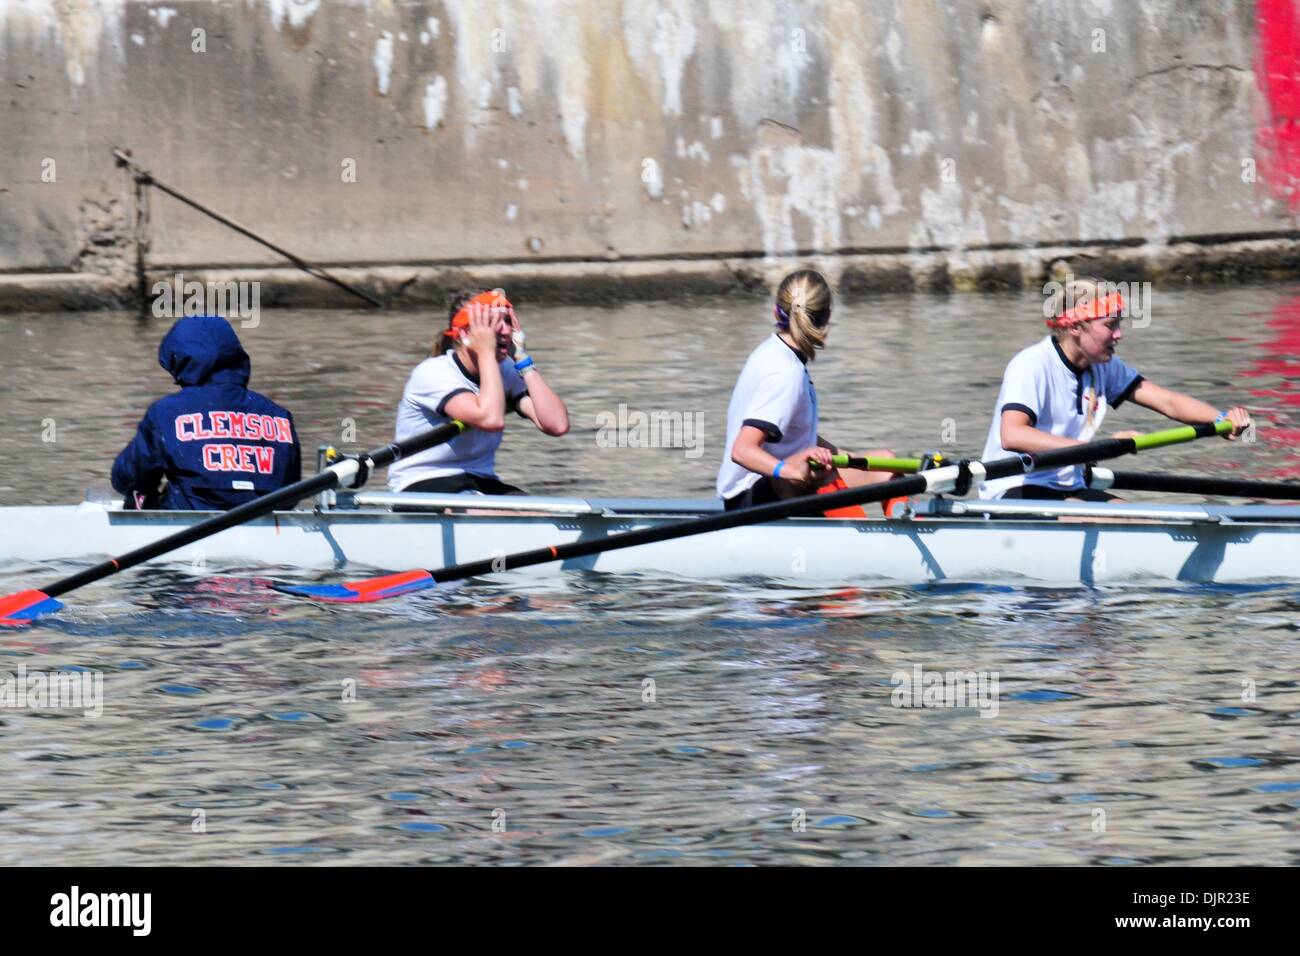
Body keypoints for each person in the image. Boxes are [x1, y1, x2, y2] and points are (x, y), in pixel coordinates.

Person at [978, 277, 1251, 500]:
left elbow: (1166, 401)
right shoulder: (1032, 365)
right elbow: (1012, 435)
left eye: (1119, 323)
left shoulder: (1104, 367)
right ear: (1075, 327)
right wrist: (1096, 449)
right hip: (1011, 489)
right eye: (1110, 325)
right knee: (1121, 523)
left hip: (1067, 486)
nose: (1119, 334)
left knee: (1144, 522)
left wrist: (1219, 418)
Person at [716, 269, 900, 516]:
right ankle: (857, 544)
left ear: (775, 311)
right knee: (816, 471)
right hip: (750, 499)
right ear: (827, 318)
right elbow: (742, 450)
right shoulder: (785, 374)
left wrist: (858, 460)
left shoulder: (777, 353)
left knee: (888, 465)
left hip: (775, 484)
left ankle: (904, 530)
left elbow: (799, 437)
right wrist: (791, 471)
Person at [386, 288, 569, 494]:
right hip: (422, 480)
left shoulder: (506, 370)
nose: (506, 331)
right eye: (492, 322)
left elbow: (557, 425)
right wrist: (485, 352)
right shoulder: (433, 372)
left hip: (480, 479)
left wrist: (523, 360)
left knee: (542, 513)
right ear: (465, 334)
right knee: (498, 514)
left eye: (508, 321)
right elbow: (490, 420)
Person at [112, 314, 301, 510]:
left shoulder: (167, 412)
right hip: (272, 531)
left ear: (180, 361)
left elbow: (127, 477)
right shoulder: (280, 416)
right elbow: (291, 492)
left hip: (187, 531)